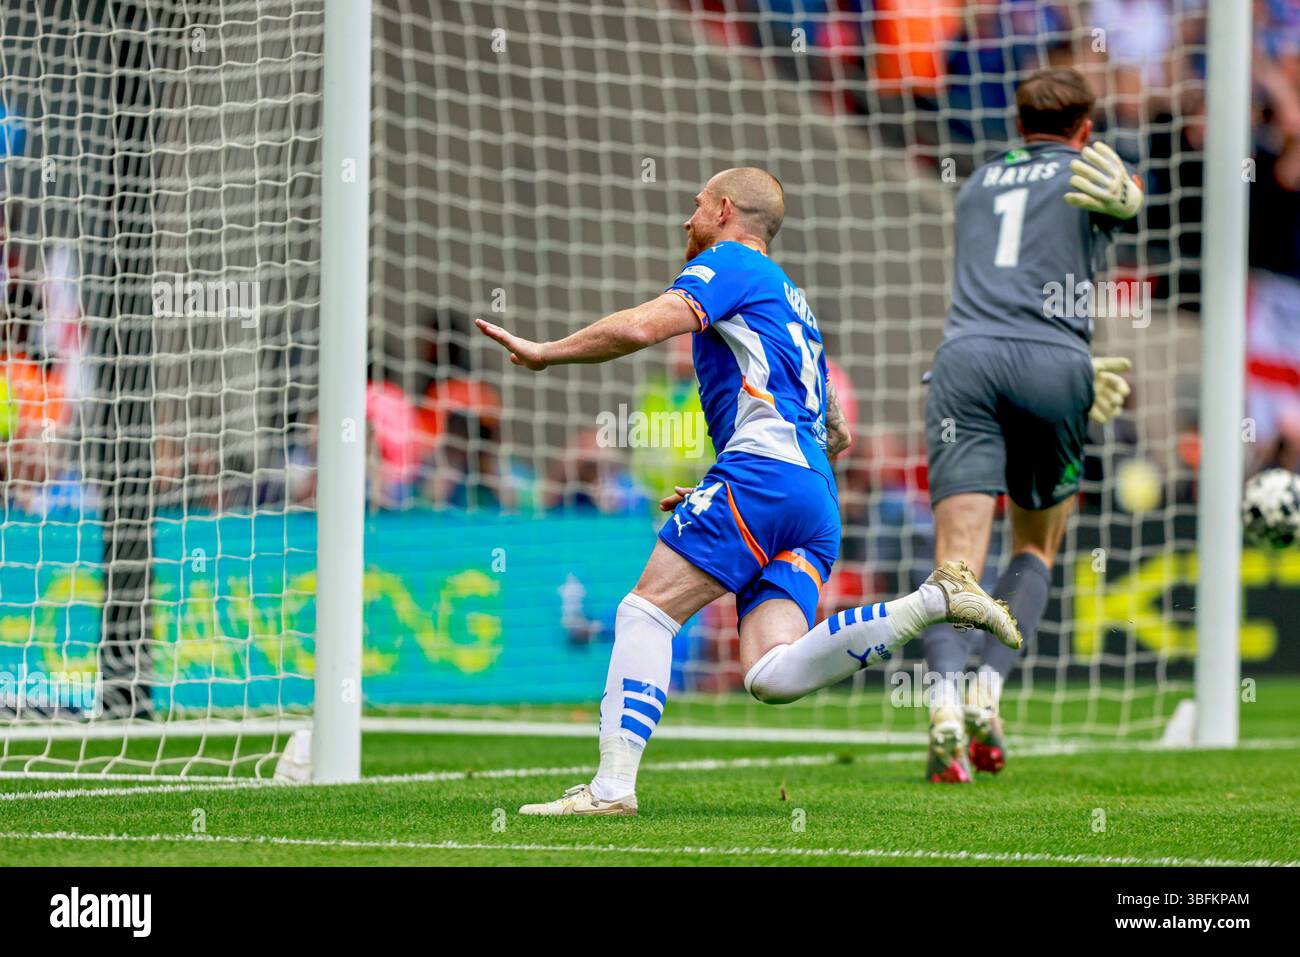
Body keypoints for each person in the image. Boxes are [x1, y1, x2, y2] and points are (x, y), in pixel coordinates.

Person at [477, 166, 1021, 816]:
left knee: (645, 611)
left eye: (698, 205)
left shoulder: (729, 261)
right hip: (811, 492)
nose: (688, 220)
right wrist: (728, 486)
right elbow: (838, 432)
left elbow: (643, 327)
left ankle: (611, 788)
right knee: (771, 672)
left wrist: (547, 352)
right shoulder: (795, 301)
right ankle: (933, 599)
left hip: (765, 475)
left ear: (725, 209)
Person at [921, 67, 1139, 782]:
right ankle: (990, 689)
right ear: (1086, 126)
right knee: (1037, 546)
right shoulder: (1092, 171)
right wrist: (1133, 195)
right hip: (1054, 360)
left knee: (956, 561)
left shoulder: (977, 183)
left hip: (967, 359)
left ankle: (945, 708)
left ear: (1019, 123)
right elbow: (1120, 204)